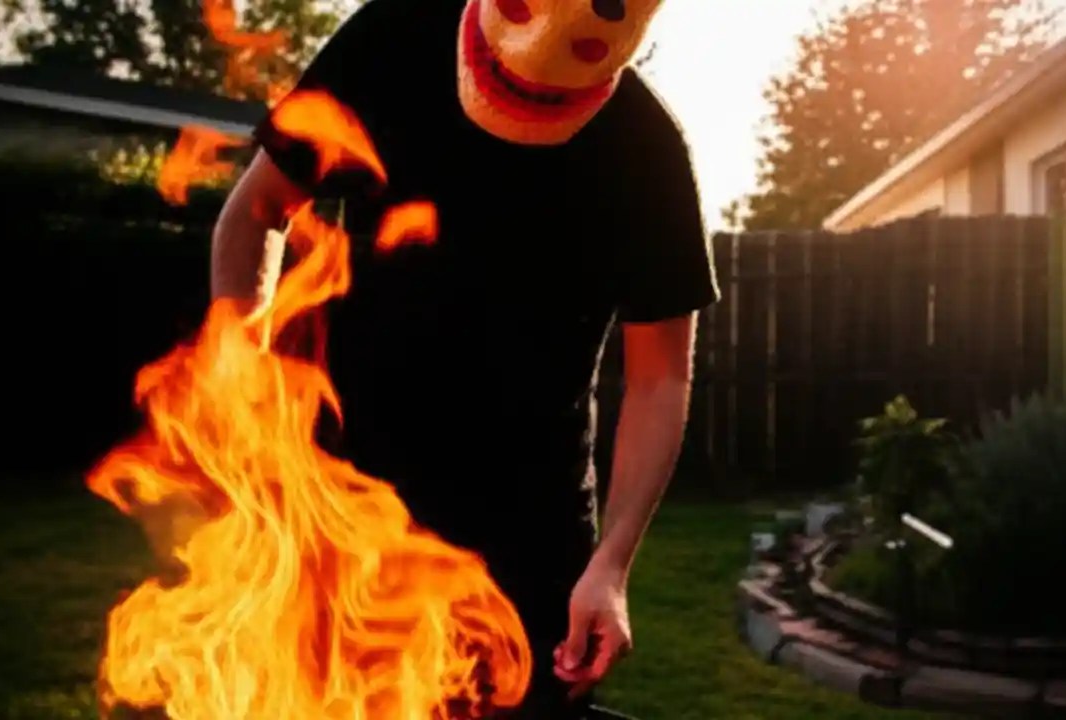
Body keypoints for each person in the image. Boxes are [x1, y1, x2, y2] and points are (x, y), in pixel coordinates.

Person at [211, 0, 719, 716]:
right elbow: (261, 206)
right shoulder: (392, 39)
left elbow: (661, 377)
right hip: (346, 510)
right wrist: (243, 371)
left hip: (530, 544)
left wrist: (612, 563)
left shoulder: (647, 148)